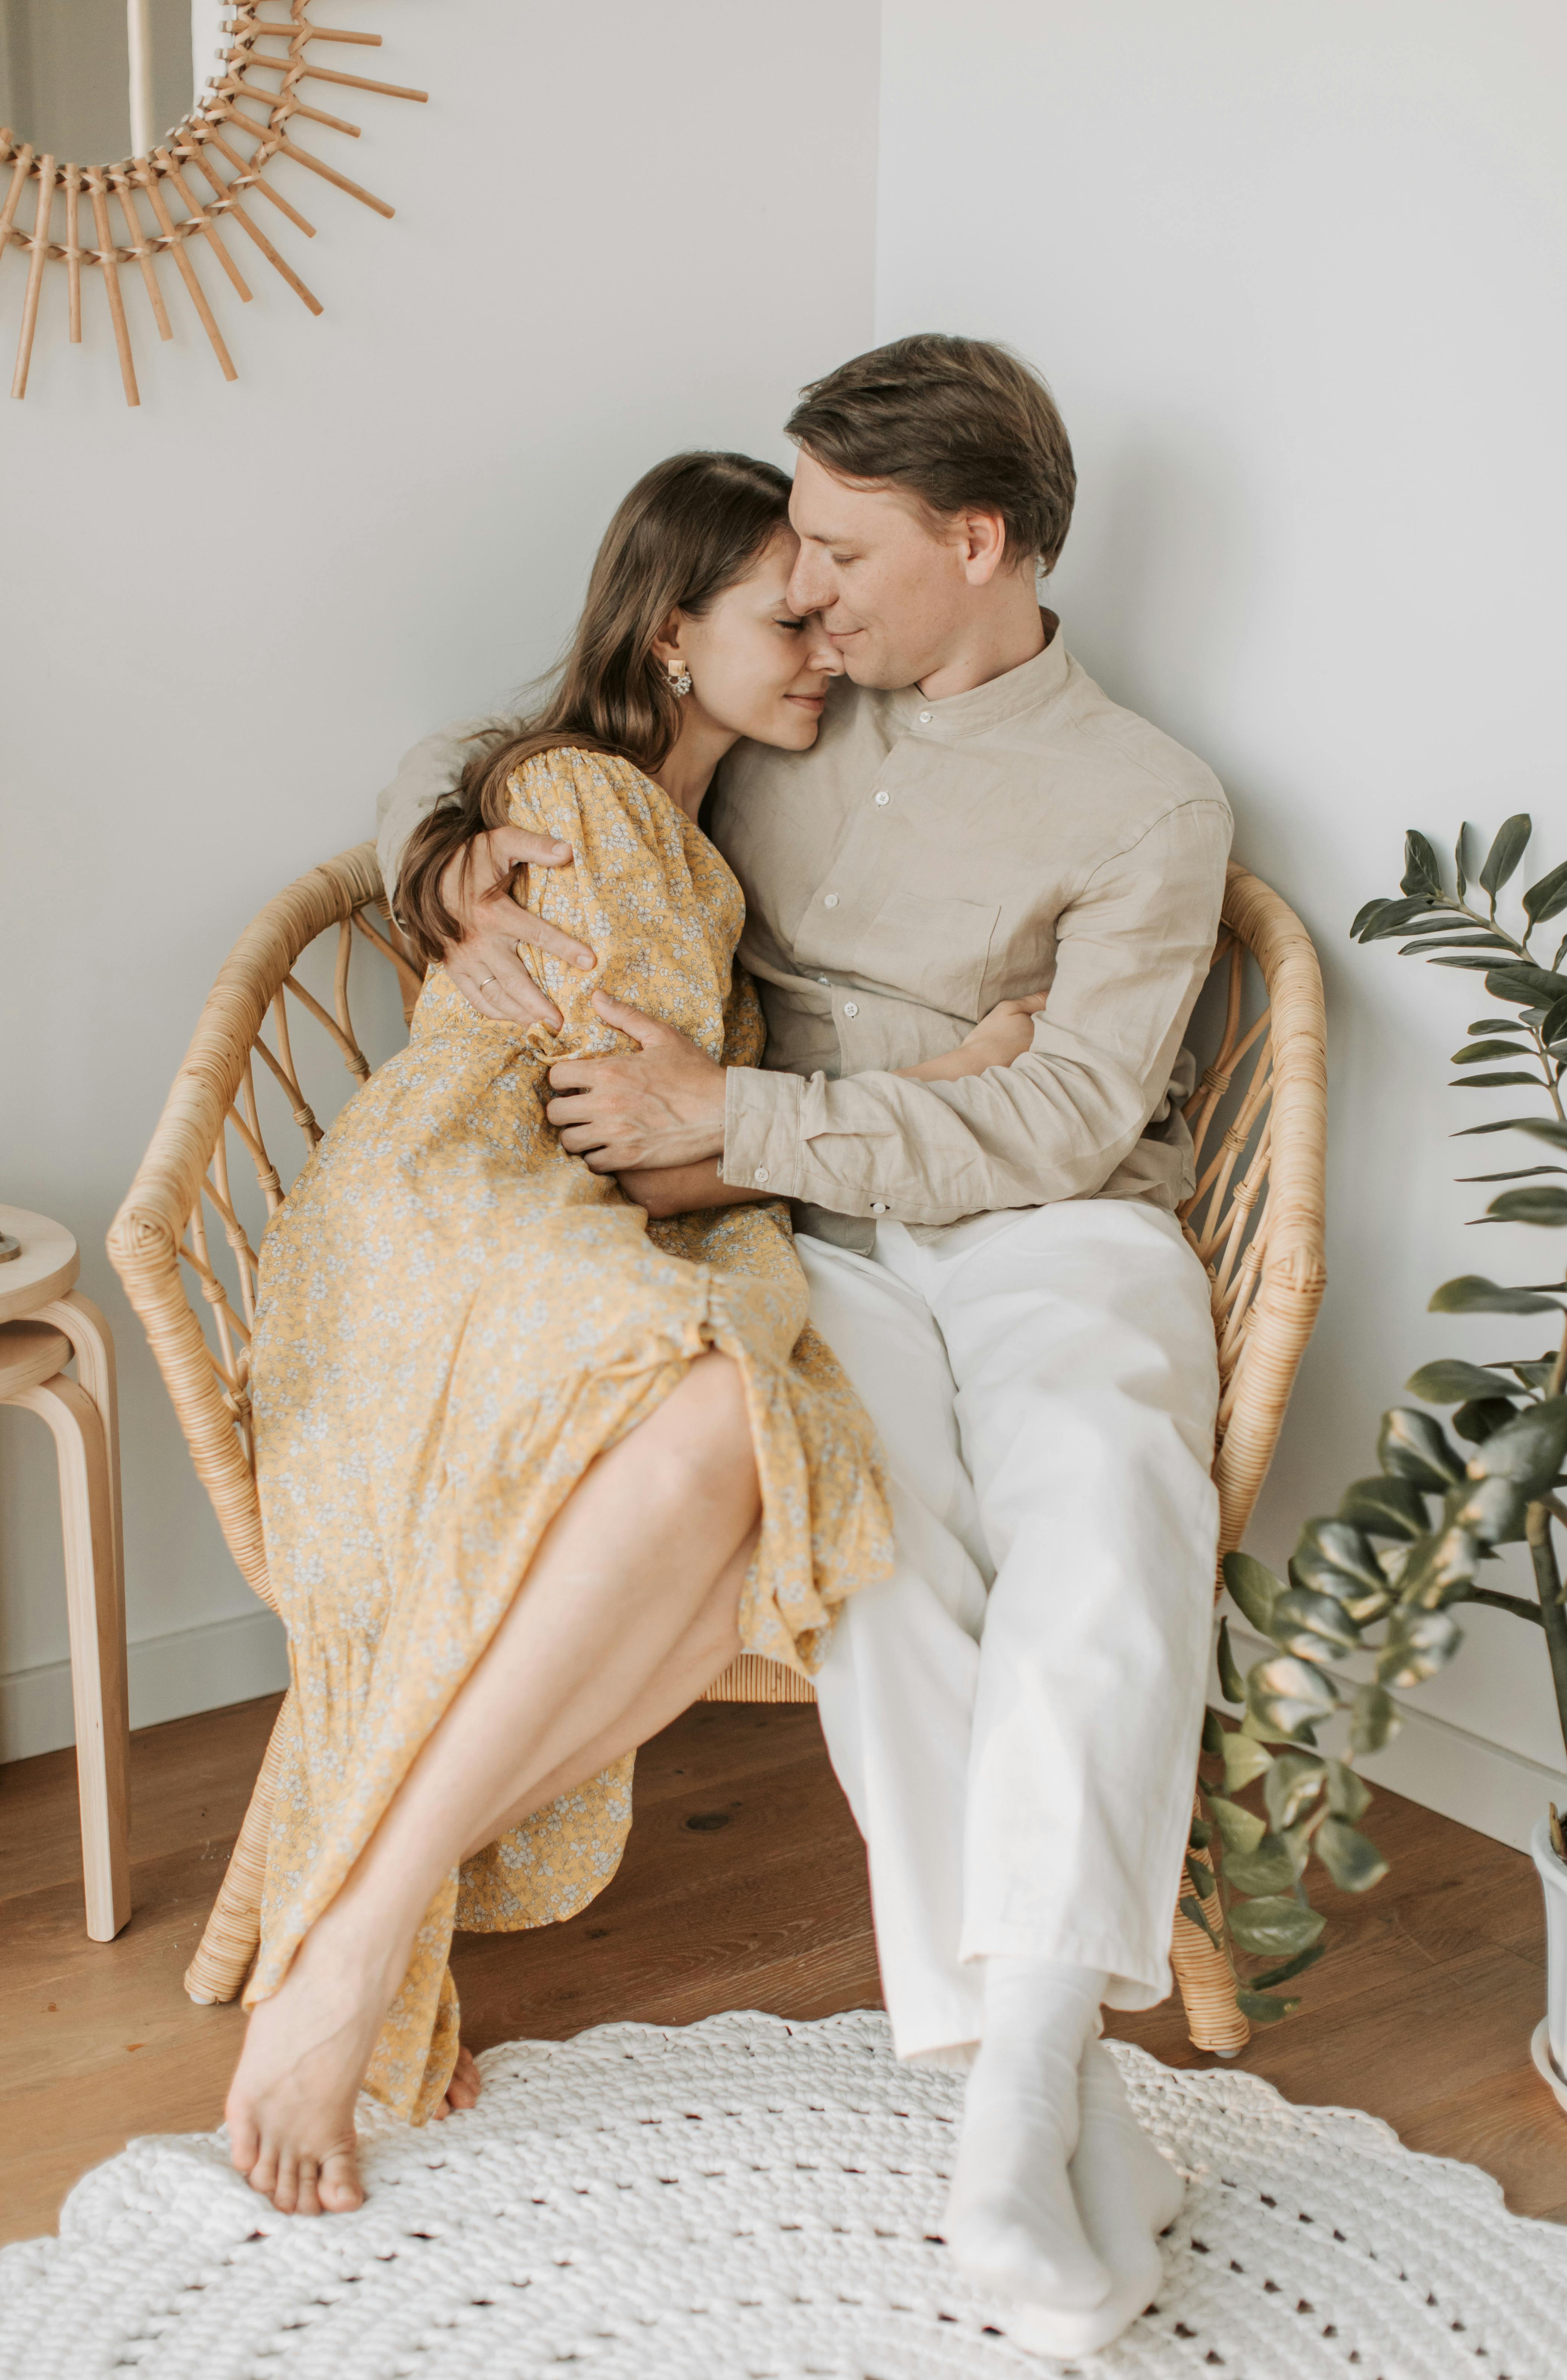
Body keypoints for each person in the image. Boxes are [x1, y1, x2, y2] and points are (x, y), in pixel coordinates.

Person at [377, 337, 1232, 2359]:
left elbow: (1059, 1114)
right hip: (801, 1237)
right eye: (798, 550)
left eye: (844, 549)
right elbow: (554, 755)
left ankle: (1012, 2088)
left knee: (1109, 1502)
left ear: (975, 537)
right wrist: (447, 864)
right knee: (885, 1557)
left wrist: (732, 1117)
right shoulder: (772, 706)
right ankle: (1034, 2082)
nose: (811, 587)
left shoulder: (1147, 798)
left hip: (1047, 1225)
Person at [225, 448, 1045, 2230]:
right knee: (728, 1379)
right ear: (671, 632)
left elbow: (676, 1126)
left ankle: (361, 1920)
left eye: (834, 604)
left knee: (741, 1444)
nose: (823, 639)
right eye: (784, 613)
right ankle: (367, 1935)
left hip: (586, 1207)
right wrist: (449, 854)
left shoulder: (703, 827)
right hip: (457, 1195)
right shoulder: (567, 799)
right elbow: (622, 1118)